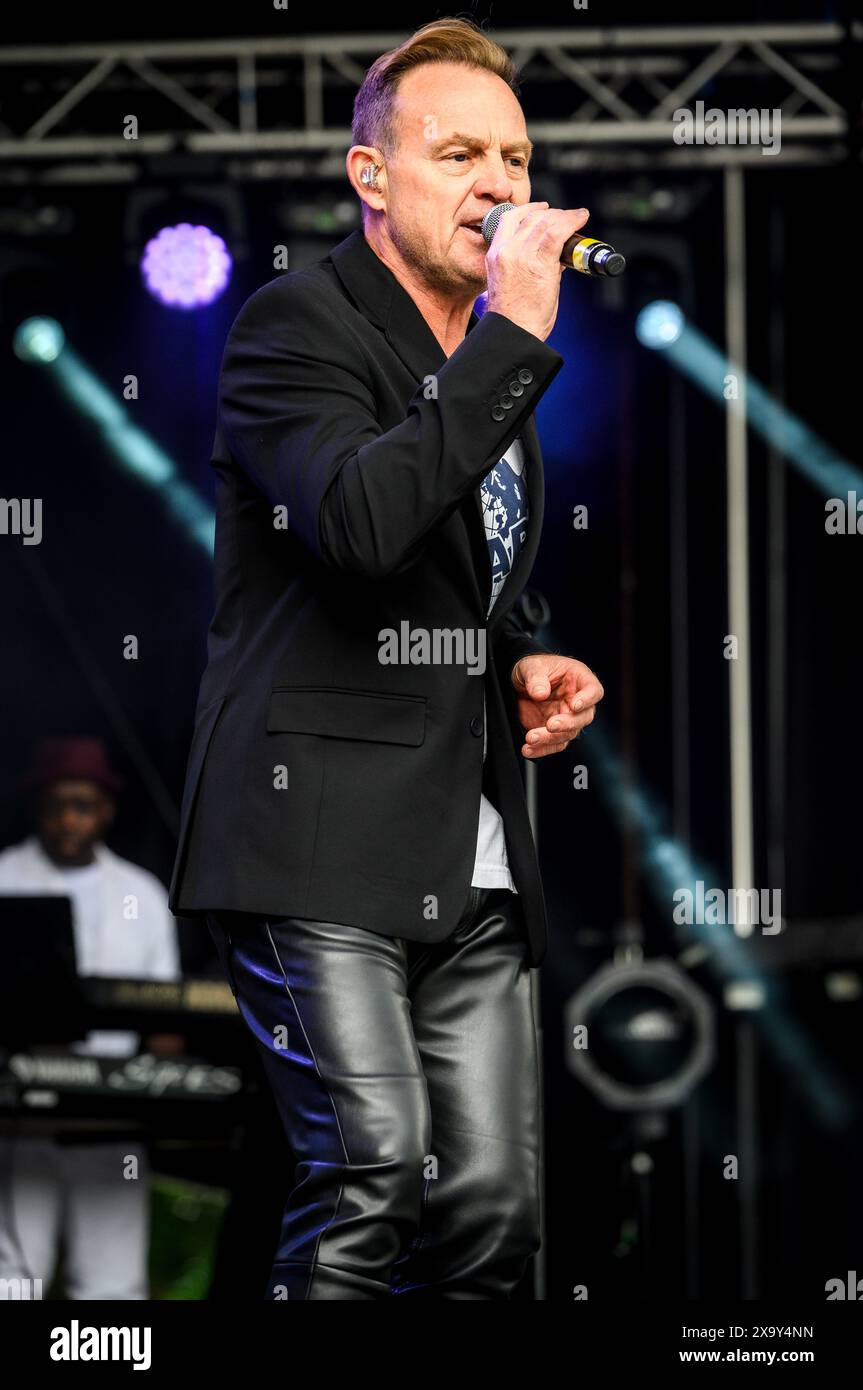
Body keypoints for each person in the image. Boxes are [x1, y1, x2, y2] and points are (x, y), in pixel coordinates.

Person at [169, 17, 604, 1300]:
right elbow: (361, 526)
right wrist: (514, 340)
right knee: (371, 1168)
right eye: (459, 154)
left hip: (467, 847)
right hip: (315, 836)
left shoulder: (482, 358)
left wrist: (520, 655)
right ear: (371, 175)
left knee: (492, 1212)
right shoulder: (294, 326)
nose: (500, 184)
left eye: (515, 158)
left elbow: (459, 570)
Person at [0, 736, 181, 1299]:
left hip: (112, 1123)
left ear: (107, 810)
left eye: (83, 805)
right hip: (17, 1118)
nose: (68, 819)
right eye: (56, 805)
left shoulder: (142, 894)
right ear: (38, 808)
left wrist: (160, 1083)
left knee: (112, 1285)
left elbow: (167, 1016)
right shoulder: (4, 876)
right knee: (10, 1281)